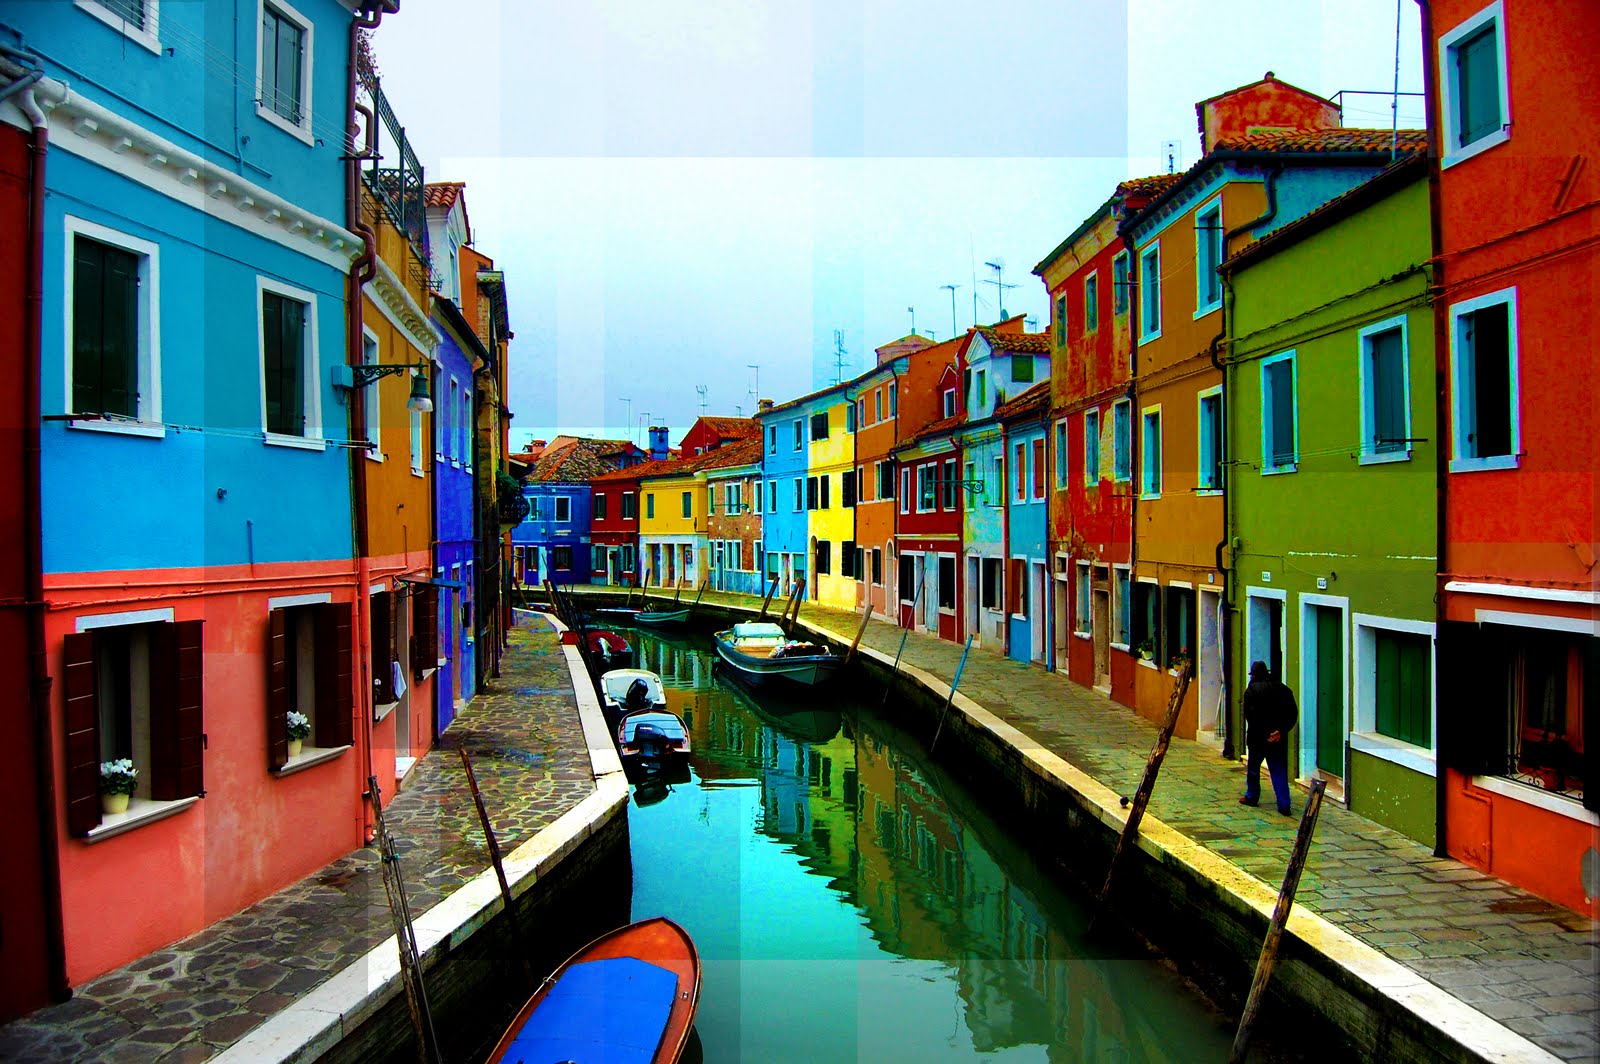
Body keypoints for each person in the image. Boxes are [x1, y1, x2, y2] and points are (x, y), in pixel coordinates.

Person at [1239, 660, 1298, 816]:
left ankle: (1252, 796)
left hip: (1257, 738)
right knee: (1278, 770)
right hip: (1278, 738)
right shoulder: (1284, 690)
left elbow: (1250, 717)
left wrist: (1265, 734)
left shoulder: (1251, 691)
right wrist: (1279, 731)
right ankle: (1284, 804)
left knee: (1253, 768)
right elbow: (1292, 713)